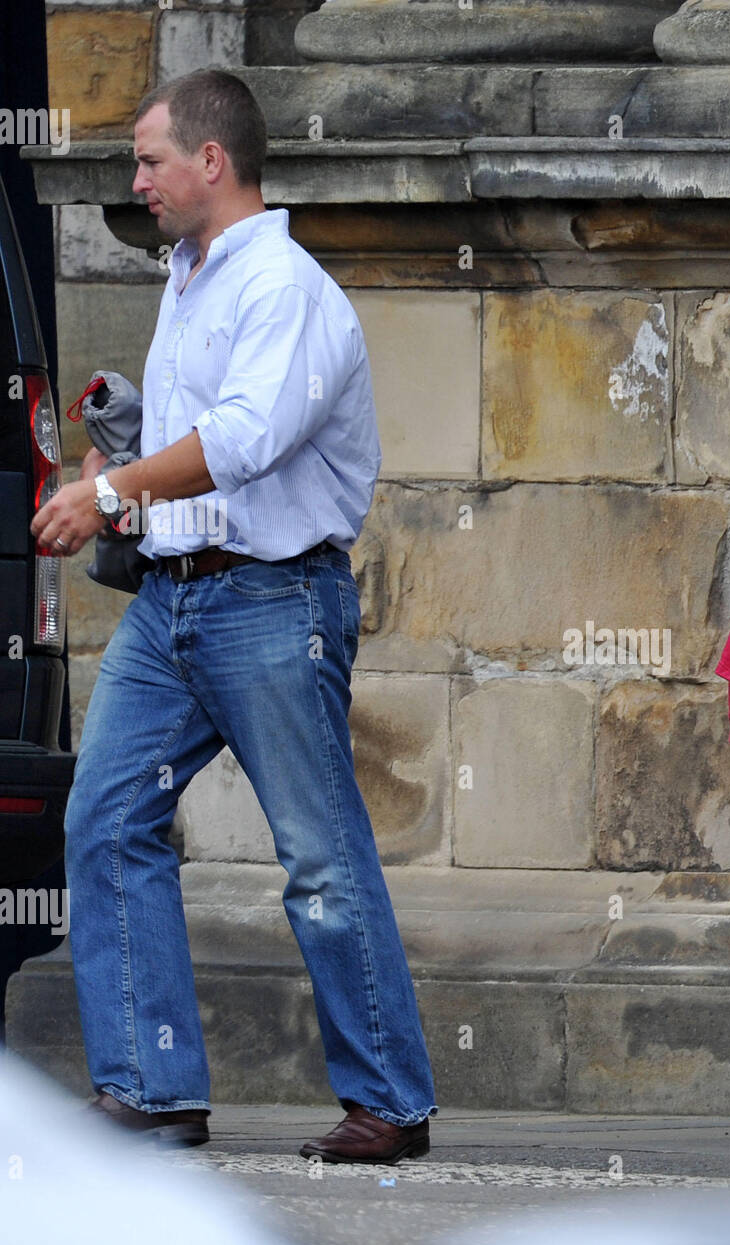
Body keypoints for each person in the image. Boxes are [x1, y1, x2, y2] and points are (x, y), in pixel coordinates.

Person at [30, 68, 436, 1163]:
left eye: (150, 158)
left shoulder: (285, 287)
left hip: (272, 595)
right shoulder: (189, 274)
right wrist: (125, 438)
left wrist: (109, 492)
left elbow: (250, 438)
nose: (136, 179)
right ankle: (153, 1089)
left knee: (317, 853)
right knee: (106, 820)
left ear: (212, 160)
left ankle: (390, 1099)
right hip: (175, 600)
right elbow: (200, 433)